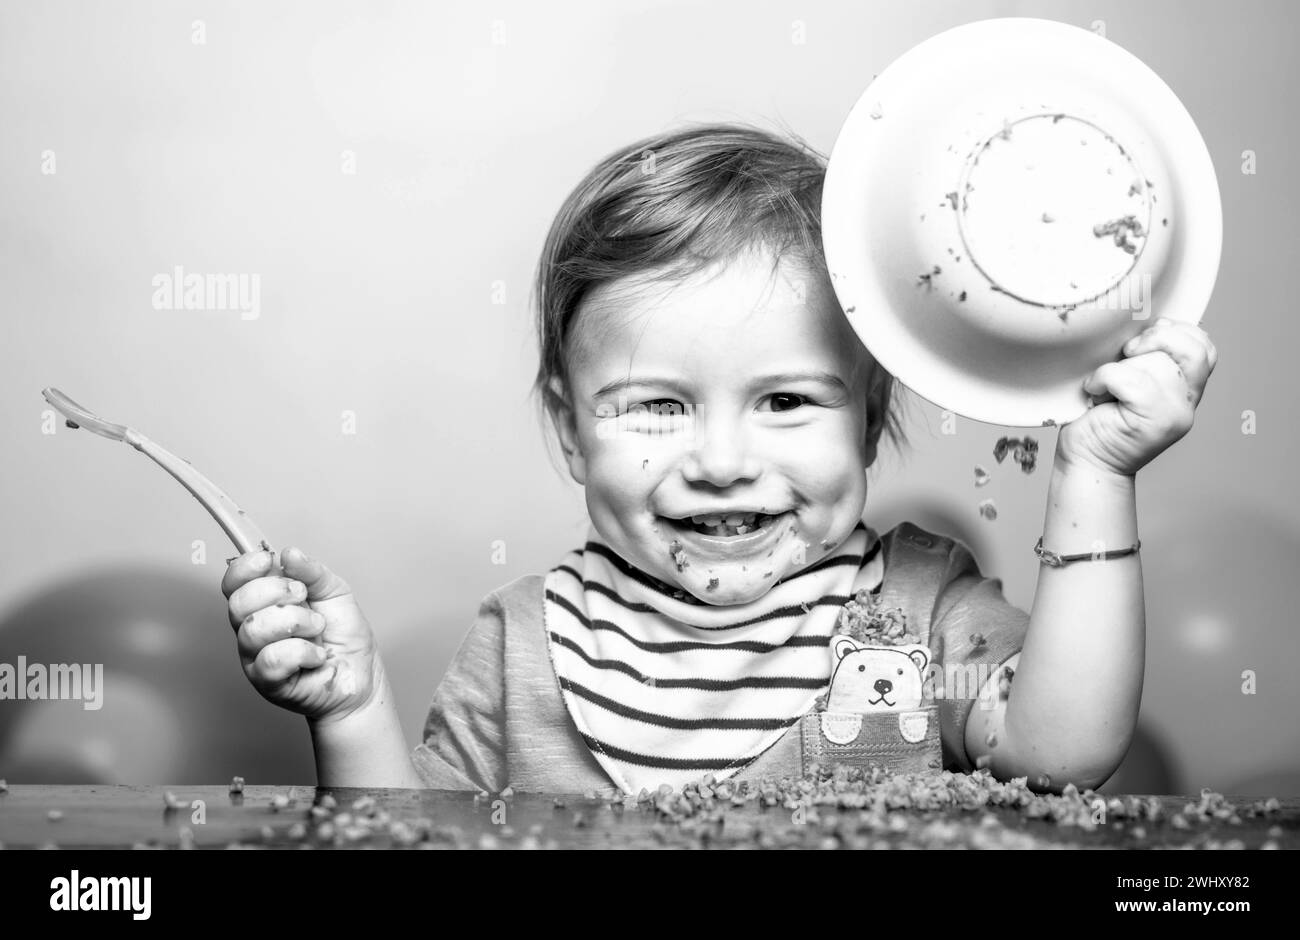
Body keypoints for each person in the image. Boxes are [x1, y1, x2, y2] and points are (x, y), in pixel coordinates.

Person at [221, 124, 1217, 796]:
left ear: (868, 424)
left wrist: (1095, 472)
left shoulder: (914, 618)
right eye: (656, 406)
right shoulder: (519, 650)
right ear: (572, 433)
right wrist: (349, 713)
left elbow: (1059, 750)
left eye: (784, 401)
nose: (722, 459)